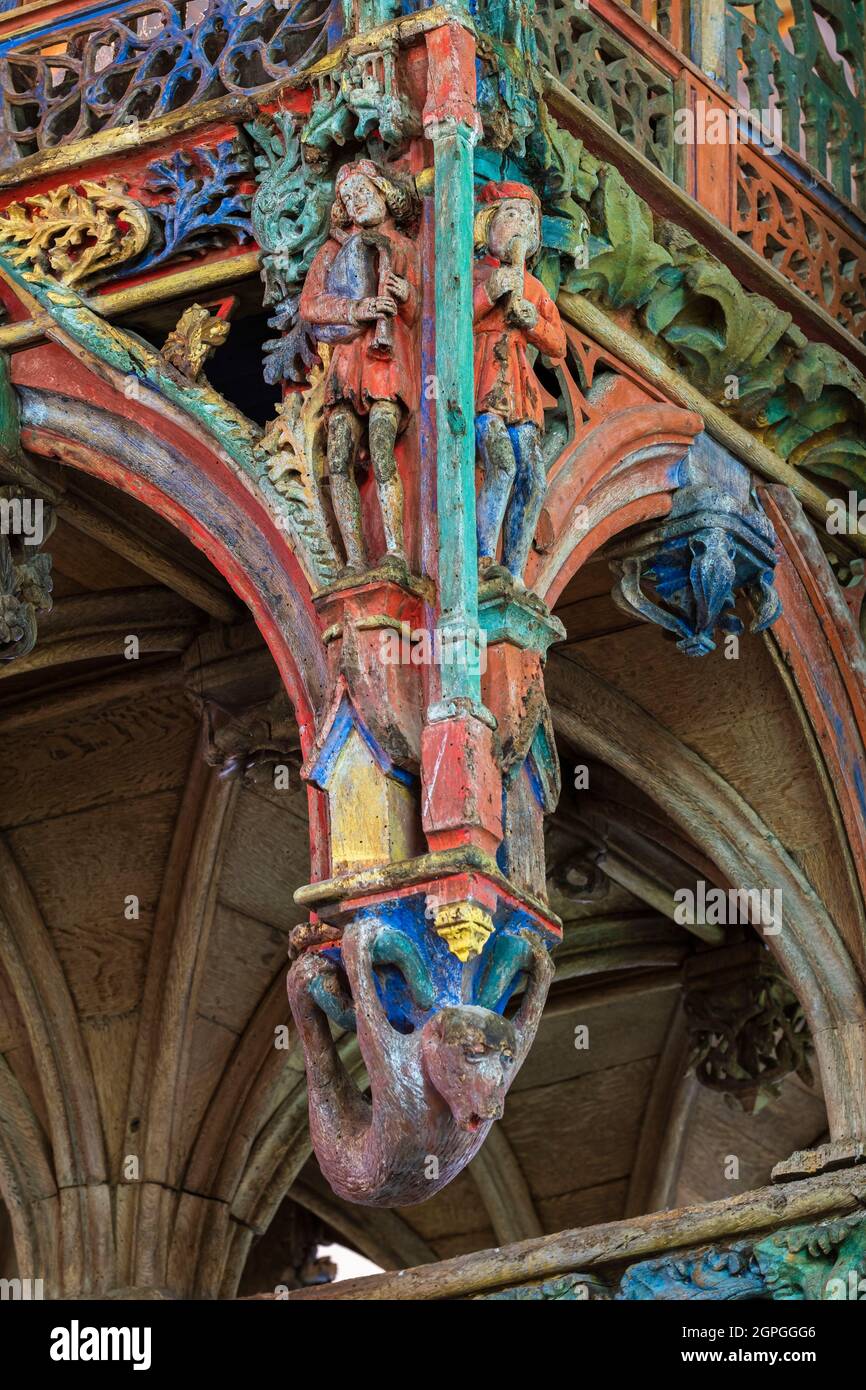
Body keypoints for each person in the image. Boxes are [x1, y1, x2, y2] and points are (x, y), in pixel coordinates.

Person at [300, 160, 420, 576]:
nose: (358, 202)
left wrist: (405, 295)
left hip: (386, 364)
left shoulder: (403, 246)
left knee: (384, 450)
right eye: (349, 200)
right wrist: (357, 308)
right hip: (348, 364)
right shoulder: (335, 250)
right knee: (338, 458)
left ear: (385, 192)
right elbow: (311, 305)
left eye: (364, 192)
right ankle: (354, 559)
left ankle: (396, 552)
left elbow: (423, 309)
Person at [472, 180, 566, 585]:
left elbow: (557, 346)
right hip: (482, 380)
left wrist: (535, 321)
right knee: (501, 463)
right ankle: (480, 556)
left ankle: (513, 571)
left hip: (520, 387)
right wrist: (489, 292)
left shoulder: (534, 287)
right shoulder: (475, 272)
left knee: (533, 473)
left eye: (527, 219)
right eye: (509, 215)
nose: (519, 226)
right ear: (487, 226)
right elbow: (446, 318)